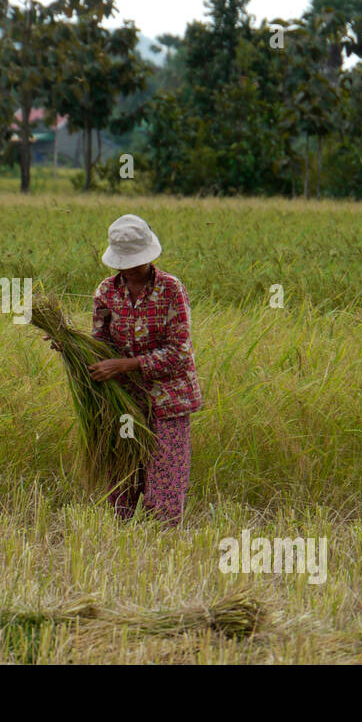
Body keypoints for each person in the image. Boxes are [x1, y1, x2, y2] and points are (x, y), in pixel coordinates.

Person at [84, 214, 202, 525]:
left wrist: (125, 365)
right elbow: (100, 341)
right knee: (124, 480)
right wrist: (72, 347)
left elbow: (178, 352)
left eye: (137, 260)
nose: (133, 267)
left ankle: (162, 548)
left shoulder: (171, 290)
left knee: (164, 482)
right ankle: (125, 547)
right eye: (126, 262)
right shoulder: (106, 292)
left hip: (168, 400)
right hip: (126, 399)